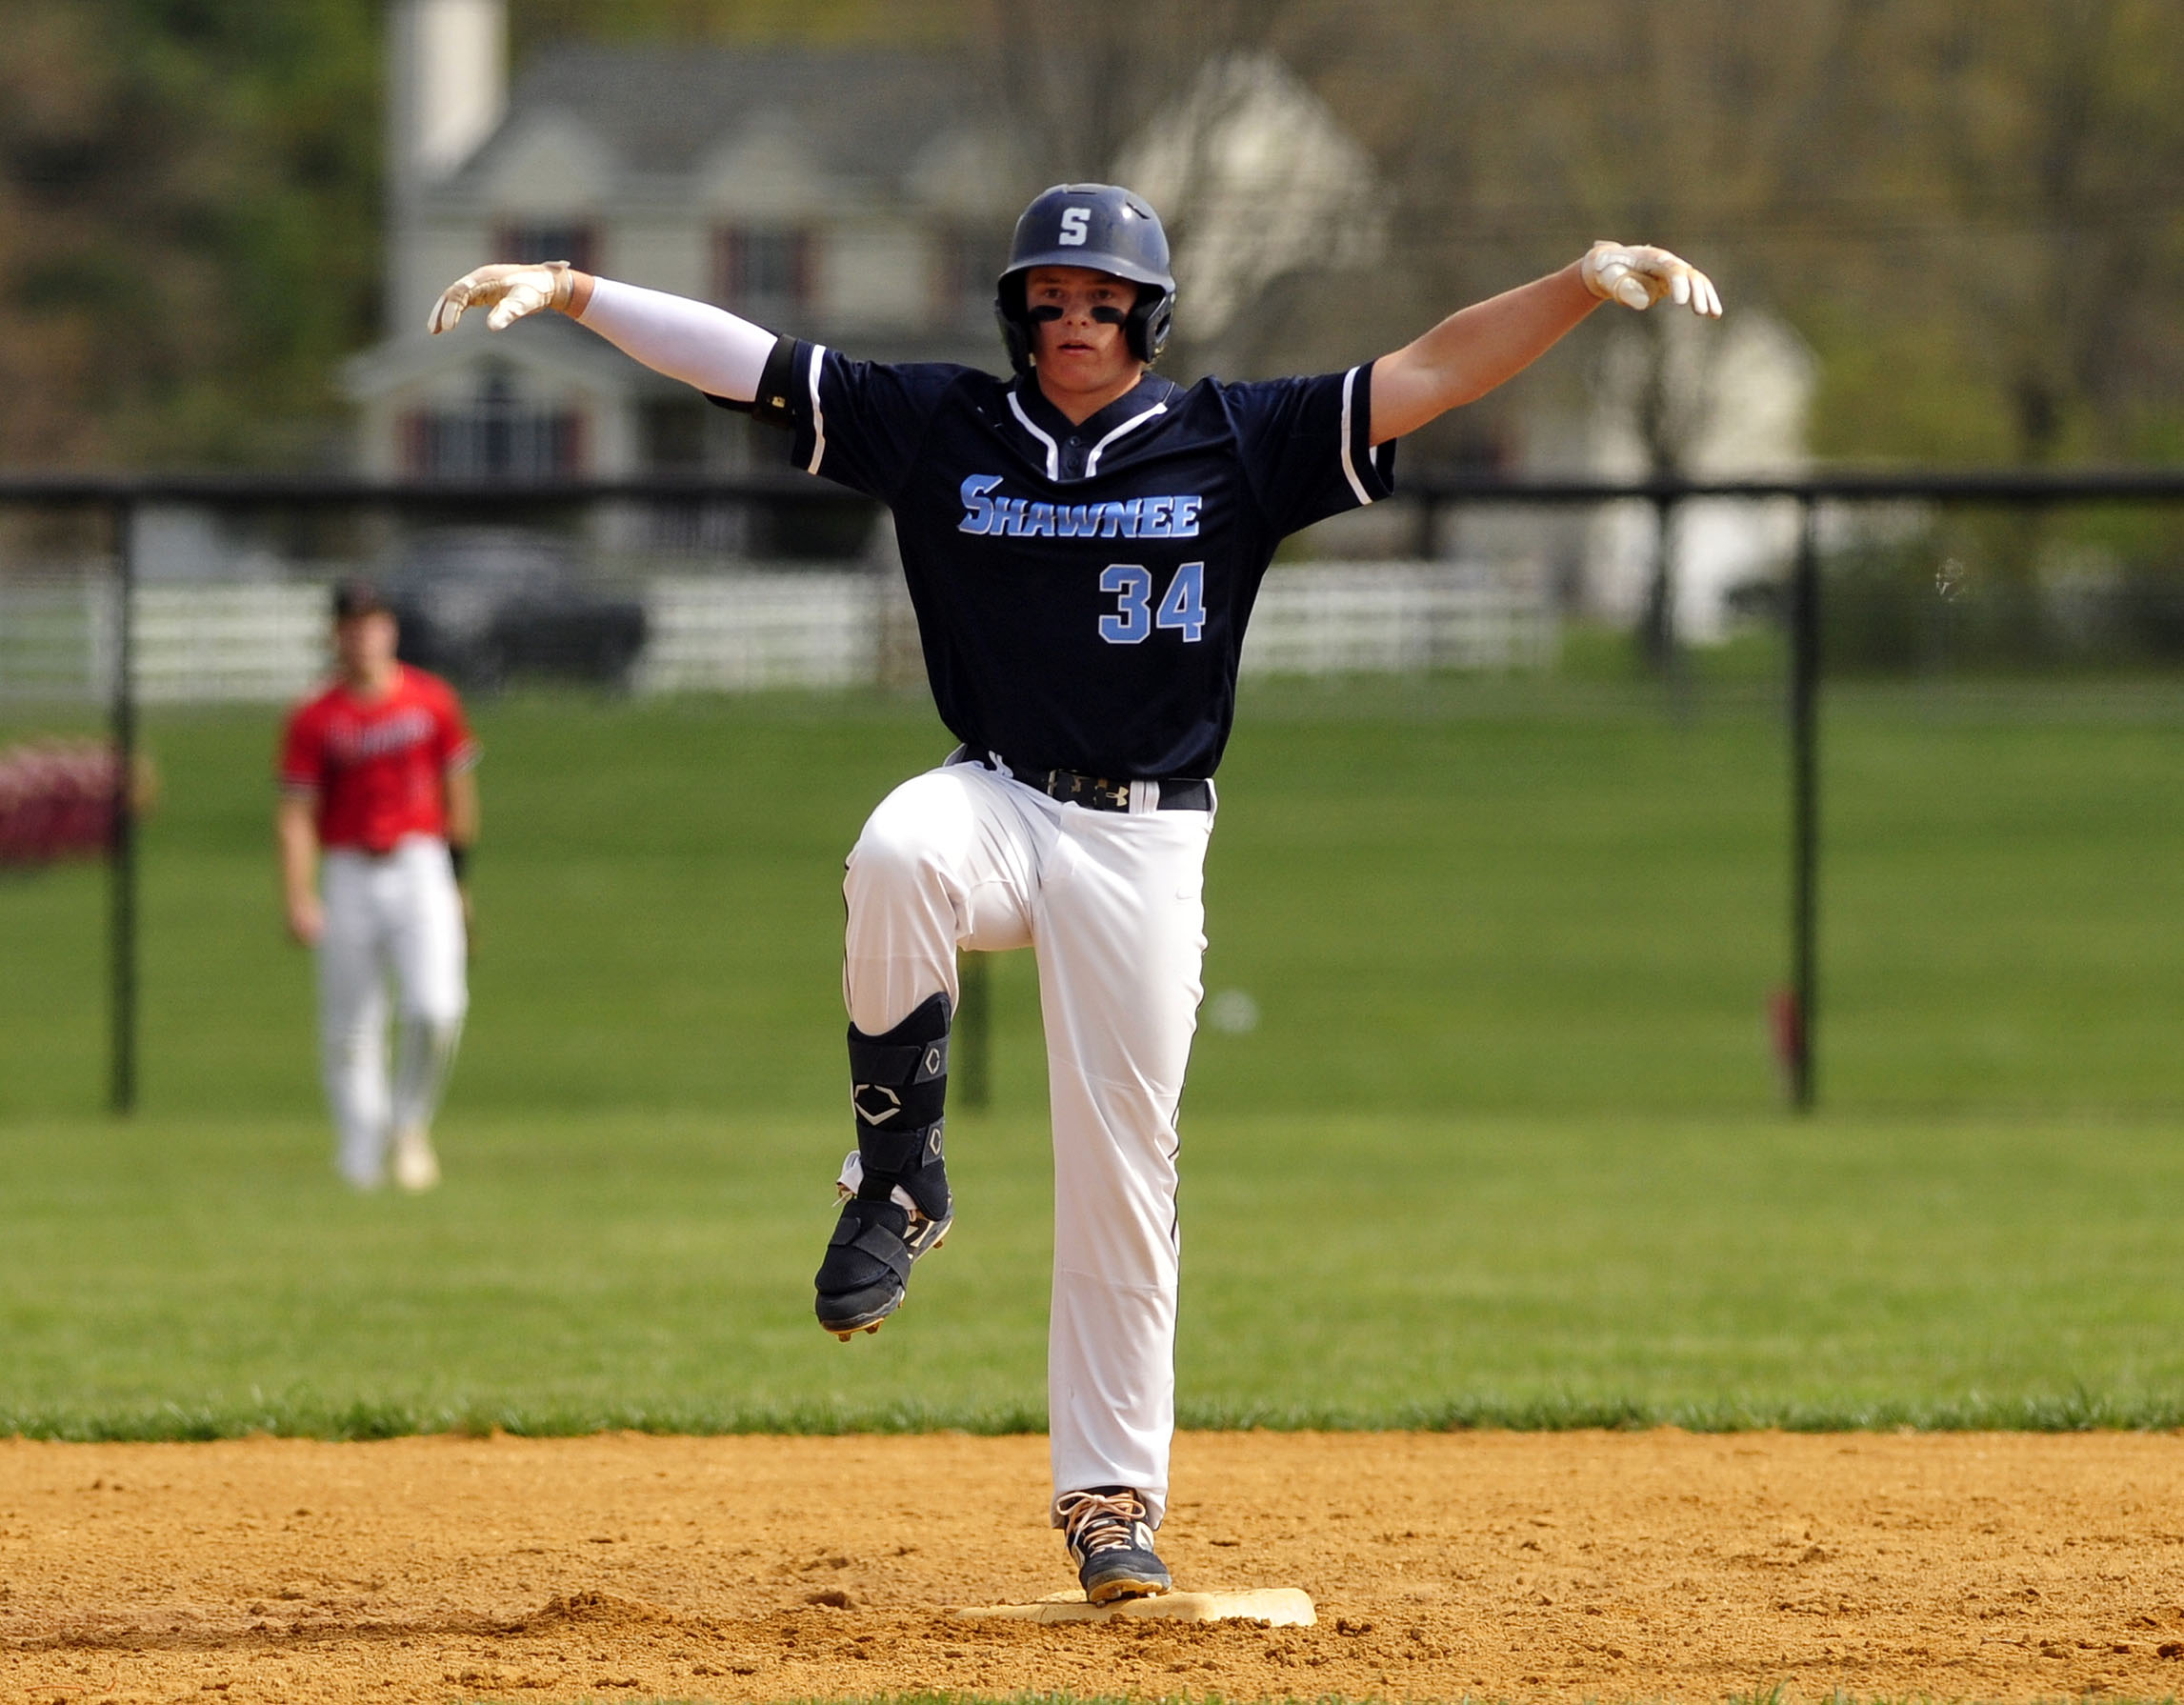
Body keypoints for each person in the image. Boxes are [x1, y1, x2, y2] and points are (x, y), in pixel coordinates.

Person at [429, 183, 1719, 1601]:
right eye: (1048, 298)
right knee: (897, 850)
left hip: (1145, 840)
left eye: (1102, 300)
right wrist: (572, 290)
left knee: (1123, 1174)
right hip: (998, 790)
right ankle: (899, 1172)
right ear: (1016, 313)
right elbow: (751, 362)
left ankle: (1110, 1501)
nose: (1073, 321)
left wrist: (1578, 283)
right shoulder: (951, 428)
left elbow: (1426, 371)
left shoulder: (1238, 439)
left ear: (1146, 317)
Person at [277, 579, 478, 1193]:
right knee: (350, 1025)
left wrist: (461, 881)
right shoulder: (317, 716)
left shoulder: (431, 700)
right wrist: (298, 893)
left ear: (390, 629)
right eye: (351, 624)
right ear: (335, 634)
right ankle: (360, 1155)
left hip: (421, 861)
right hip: (348, 868)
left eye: (374, 622)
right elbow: (296, 814)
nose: (363, 635)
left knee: (437, 1006)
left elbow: (460, 792)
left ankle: (409, 1124)